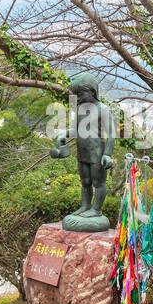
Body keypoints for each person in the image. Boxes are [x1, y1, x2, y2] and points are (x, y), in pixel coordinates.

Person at [51, 73, 115, 225]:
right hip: (82, 151)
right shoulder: (80, 110)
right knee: (85, 181)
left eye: (80, 94)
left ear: (92, 91)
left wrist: (107, 154)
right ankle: (85, 206)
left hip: (97, 153)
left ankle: (96, 209)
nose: (77, 98)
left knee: (98, 182)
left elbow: (112, 134)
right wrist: (63, 134)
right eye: (76, 95)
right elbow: (74, 130)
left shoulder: (103, 109)